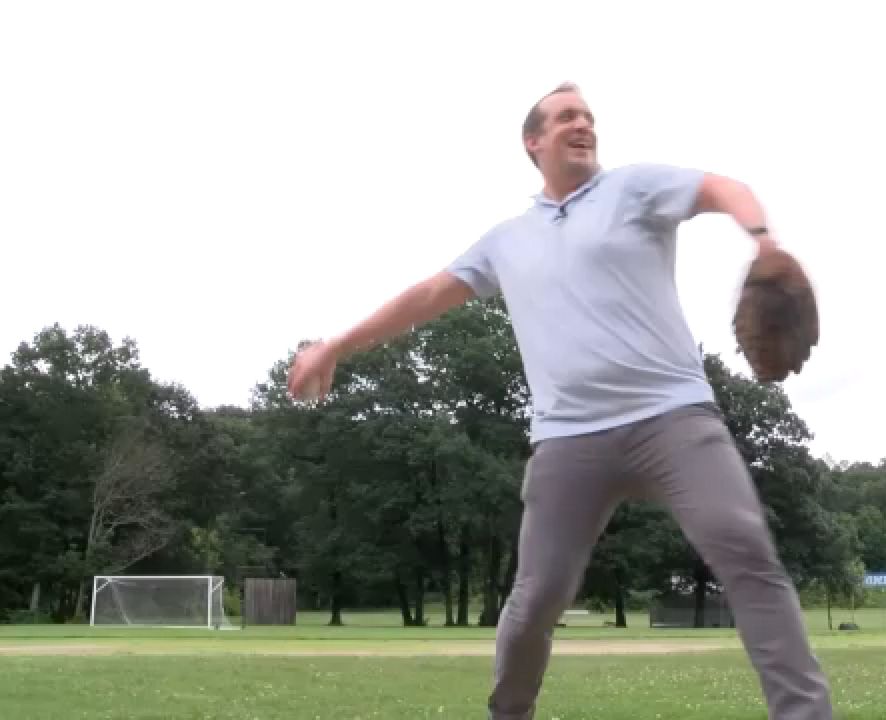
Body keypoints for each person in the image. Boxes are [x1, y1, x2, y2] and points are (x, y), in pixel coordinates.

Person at [286, 82, 833, 720]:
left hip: (674, 416)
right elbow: (429, 295)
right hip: (569, 438)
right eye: (566, 116)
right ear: (533, 142)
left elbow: (721, 188)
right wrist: (337, 345)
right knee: (537, 596)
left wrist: (763, 241)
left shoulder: (634, 188)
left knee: (745, 550)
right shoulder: (506, 241)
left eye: (588, 117)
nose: (583, 124)